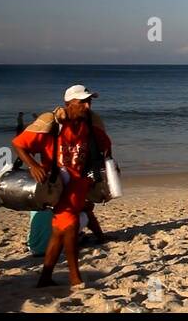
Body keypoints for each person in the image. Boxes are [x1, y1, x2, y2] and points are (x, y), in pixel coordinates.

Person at [12, 85, 114, 289]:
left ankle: (45, 277)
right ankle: (75, 277)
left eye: (89, 101)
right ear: (69, 104)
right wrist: (33, 166)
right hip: (58, 184)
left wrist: (107, 170)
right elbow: (19, 144)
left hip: (80, 182)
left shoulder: (91, 122)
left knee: (59, 231)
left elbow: (105, 147)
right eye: (82, 102)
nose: (87, 105)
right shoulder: (51, 122)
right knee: (71, 226)